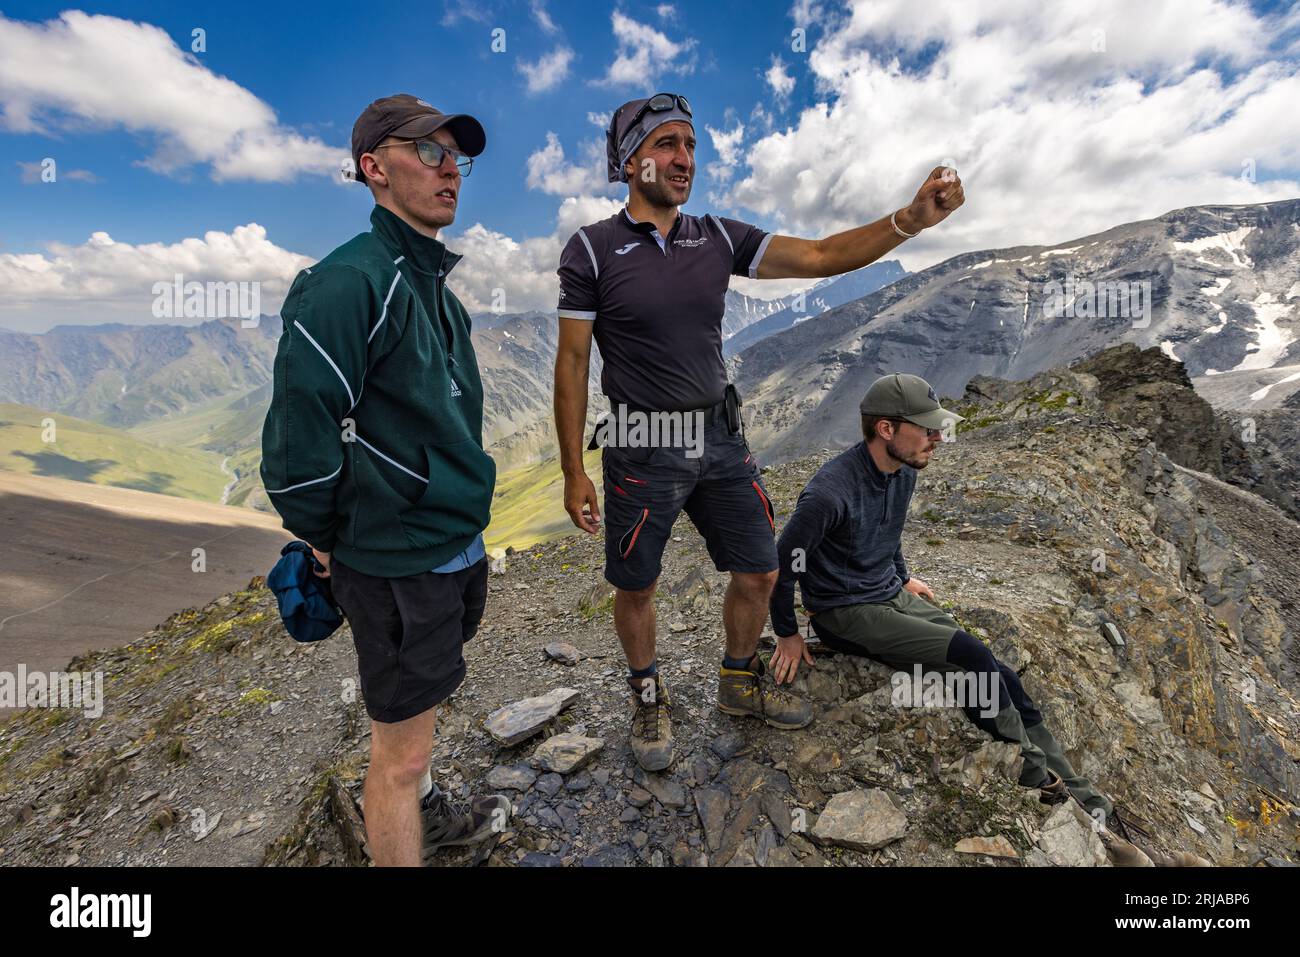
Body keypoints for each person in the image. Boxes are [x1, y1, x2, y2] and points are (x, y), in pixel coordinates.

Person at [553, 92, 966, 771]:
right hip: (640, 447)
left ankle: (737, 676)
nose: (684, 158)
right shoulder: (593, 249)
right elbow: (572, 363)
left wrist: (910, 220)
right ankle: (647, 692)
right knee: (637, 585)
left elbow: (821, 254)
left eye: (690, 144)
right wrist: (573, 470)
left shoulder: (715, 237)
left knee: (762, 568)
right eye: (667, 144)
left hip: (719, 439)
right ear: (630, 161)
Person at [261, 94, 508, 865]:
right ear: (373, 168)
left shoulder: (436, 291)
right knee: (397, 759)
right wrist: (335, 541)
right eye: (427, 152)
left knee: (414, 716)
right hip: (397, 562)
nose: (450, 171)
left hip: (451, 548)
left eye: (455, 157)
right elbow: (299, 451)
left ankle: (426, 805)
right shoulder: (346, 285)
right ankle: (410, 810)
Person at [768, 372, 1119, 823]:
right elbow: (783, 564)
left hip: (889, 594)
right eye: (926, 428)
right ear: (886, 429)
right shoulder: (828, 492)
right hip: (845, 611)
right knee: (972, 657)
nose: (937, 437)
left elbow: (889, 531)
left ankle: (1088, 799)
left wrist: (902, 576)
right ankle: (1036, 775)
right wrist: (787, 633)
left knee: (1003, 675)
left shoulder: (902, 472)